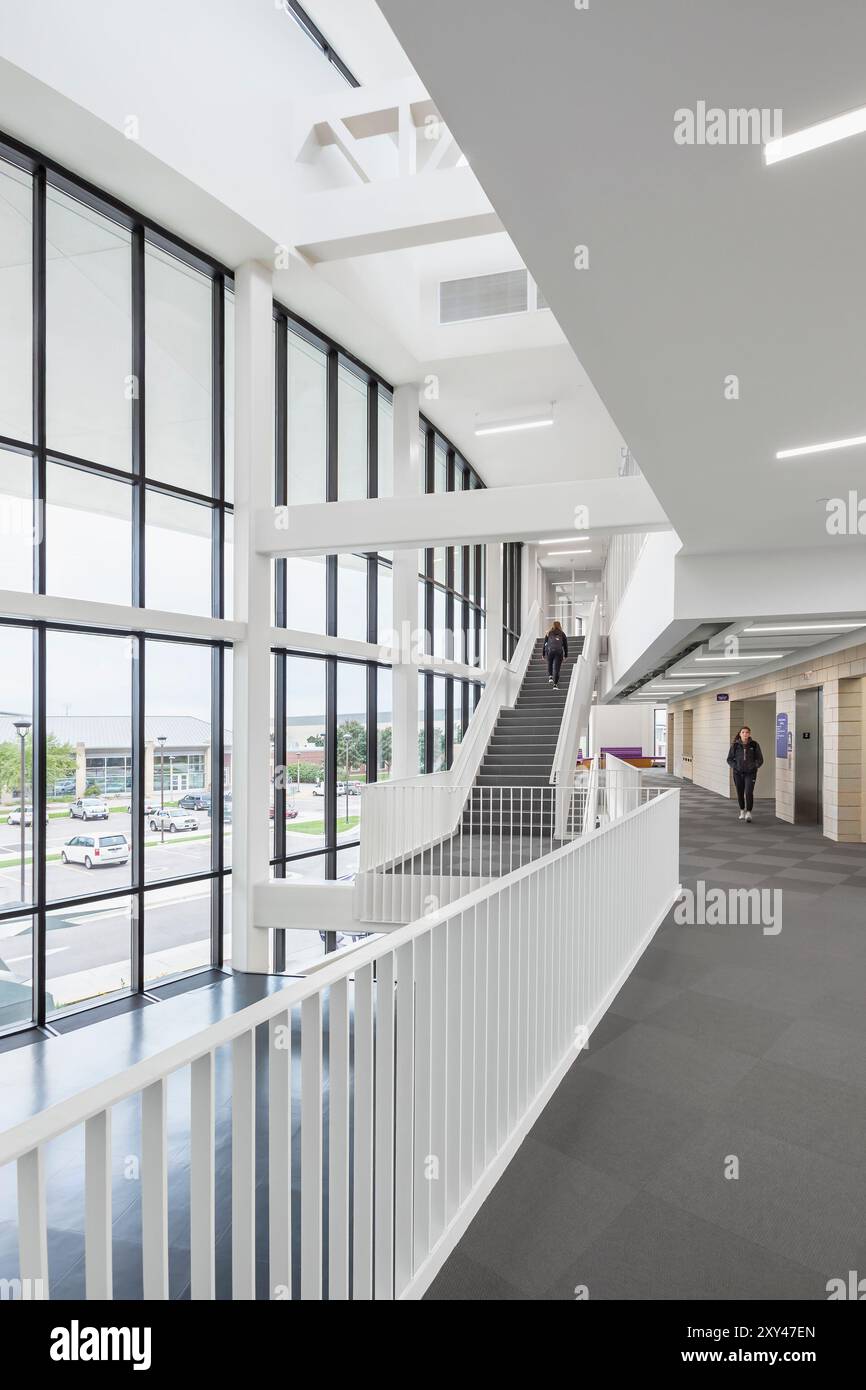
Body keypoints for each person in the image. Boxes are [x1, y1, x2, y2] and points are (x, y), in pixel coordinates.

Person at [726, 725, 764, 822]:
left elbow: (760, 759)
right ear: (740, 734)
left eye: (747, 732)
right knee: (740, 792)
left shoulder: (754, 745)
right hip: (737, 773)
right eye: (743, 732)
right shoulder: (735, 745)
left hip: (750, 773)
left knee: (748, 792)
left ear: (749, 734)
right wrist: (735, 766)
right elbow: (729, 759)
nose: (745, 734)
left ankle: (749, 812)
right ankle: (742, 810)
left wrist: (754, 766)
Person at [543, 621, 569, 689]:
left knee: (550, 663)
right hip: (559, 652)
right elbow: (565, 645)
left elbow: (545, 644)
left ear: (553, 625)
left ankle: (550, 677)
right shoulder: (562, 634)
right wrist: (566, 655)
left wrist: (543, 654)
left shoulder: (548, 633)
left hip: (550, 651)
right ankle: (555, 685)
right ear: (560, 626)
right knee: (557, 668)